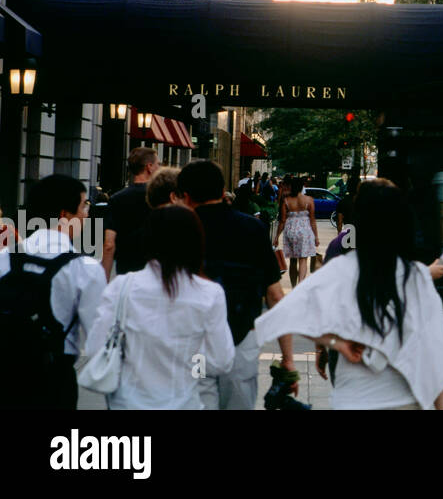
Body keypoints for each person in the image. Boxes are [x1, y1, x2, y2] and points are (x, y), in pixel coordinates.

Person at [255, 181, 443, 409]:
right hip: (405, 400)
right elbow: (436, 357)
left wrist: (335, 343)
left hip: (352, 400)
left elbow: (284, 316)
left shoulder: (339, 270)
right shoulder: (416, 277)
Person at [83, 206, 235, 409]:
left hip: (127, 403)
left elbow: (95, 347)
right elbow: (221, 361)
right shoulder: (209, 293)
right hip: (183, 402)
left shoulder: (122, 287)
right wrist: (191, 361)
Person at [177, 159, 298, 410]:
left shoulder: (180, 230)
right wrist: (287, 358)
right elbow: (275, 295)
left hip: (196, 347)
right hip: (240, 342)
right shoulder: (252, 229)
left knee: (198, 400)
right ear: (223, 192)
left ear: (185, 196)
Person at [0, 174, 106, 408]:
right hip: (53, 378)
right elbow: (99, 340)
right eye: (82, 206)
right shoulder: (84, 269)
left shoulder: (4, 259)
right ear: (64, 215)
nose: (85, 215)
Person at [101, 147, 159, 277]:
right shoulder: (159, 197)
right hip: (154, 271)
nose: (159, 168)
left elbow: (109, 244)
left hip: (125, 269)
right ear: (149, 167)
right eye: (157, 164)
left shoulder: (116, 199)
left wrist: (104, 279)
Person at [276, 177, 318, 289]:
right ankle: (300, 285)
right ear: (302, 187)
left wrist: (276, 236)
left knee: (293, 260)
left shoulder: (286, 200)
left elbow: (282, 221)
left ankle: (294, 286)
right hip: (305, 230)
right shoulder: (309, 200)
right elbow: (312, 220)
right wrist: (316, 237)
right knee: (303, 259)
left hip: (290, 230)